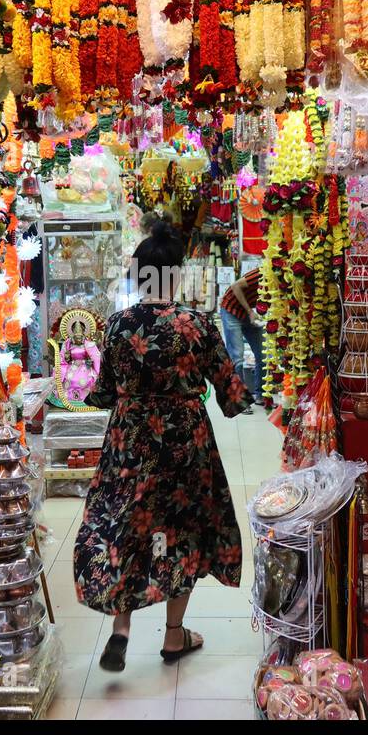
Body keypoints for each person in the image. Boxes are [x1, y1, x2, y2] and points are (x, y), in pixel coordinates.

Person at [74, 217, 252, 672]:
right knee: (181, 532)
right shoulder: (196, 324)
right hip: (184, 442)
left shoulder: (117, 326)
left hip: (129, 440)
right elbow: (232, 393)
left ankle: (122, 629)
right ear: (176, 275)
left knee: (125, 524)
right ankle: (174, 636)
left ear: (138, 275)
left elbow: (100, 393)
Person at [218, 266, 263, 411]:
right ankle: (241, 401)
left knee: (263, 354)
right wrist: (250, 311)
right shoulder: (261, 273)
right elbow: (235, 286)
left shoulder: (283, 282)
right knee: (237, 356)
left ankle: (260, 395)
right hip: (232, 310)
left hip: (249, 313)